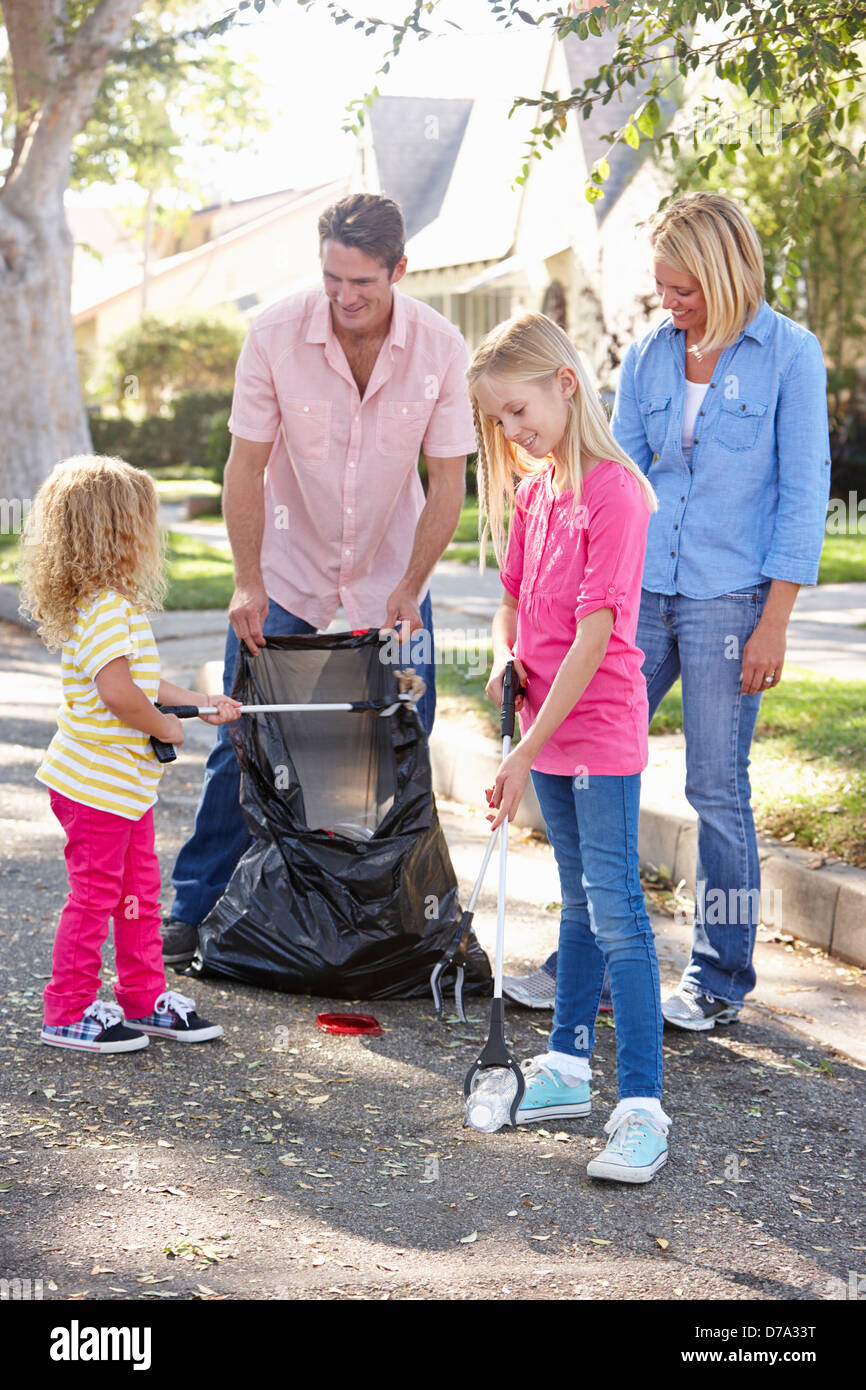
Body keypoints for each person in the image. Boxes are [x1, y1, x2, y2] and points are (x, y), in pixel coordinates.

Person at [505, 192, 831, 1032]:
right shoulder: (653, 352)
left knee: (716, 788)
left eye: (683, 289)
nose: (669, 303)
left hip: (731, 599)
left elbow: (803, 496)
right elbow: (610, 465)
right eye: (662, 287)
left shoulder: (790, 355)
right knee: (585, 757)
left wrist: (776, 620)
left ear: (725, 276)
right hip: (641, 592)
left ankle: (718, 978)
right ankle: (599, 953)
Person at [162, 193, 476, 965]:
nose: (345, 297)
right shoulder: (274, 334)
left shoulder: (439, 346)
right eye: (333, 278)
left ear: (401, 269)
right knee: (243, 731)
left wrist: (412, 585)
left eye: (363, 282)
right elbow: (246, 464)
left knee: (405, 736)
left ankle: (391, 919)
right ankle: (193, 908)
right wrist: (244, 579)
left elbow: (448, 483)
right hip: (288, 568)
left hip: (391, 574)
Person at [471, 312, 670, 1183]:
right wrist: (506, 654)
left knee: (619, 909)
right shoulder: (539, 488)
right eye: (498, 422)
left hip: (596, 731)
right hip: (547, 733)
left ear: (564, 381)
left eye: (518, 410)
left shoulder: (616, 493)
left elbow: (595, 636)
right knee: (579, 905)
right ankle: (565, 1065)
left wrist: (521, 753)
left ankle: (643, 1109)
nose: (513, 432)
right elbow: (511, 599)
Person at [20, 455, 241, 1053]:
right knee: (95, 898)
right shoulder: (104, 610)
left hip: (124, 788)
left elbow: (141, 681)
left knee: (137, 894)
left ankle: (143, 1000)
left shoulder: (113, 606)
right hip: (93, 788)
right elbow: (118, 693)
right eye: (144, 522)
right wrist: (167, 729)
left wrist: (199, 702)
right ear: (114, 531)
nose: (153, 534)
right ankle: (66, 1010)